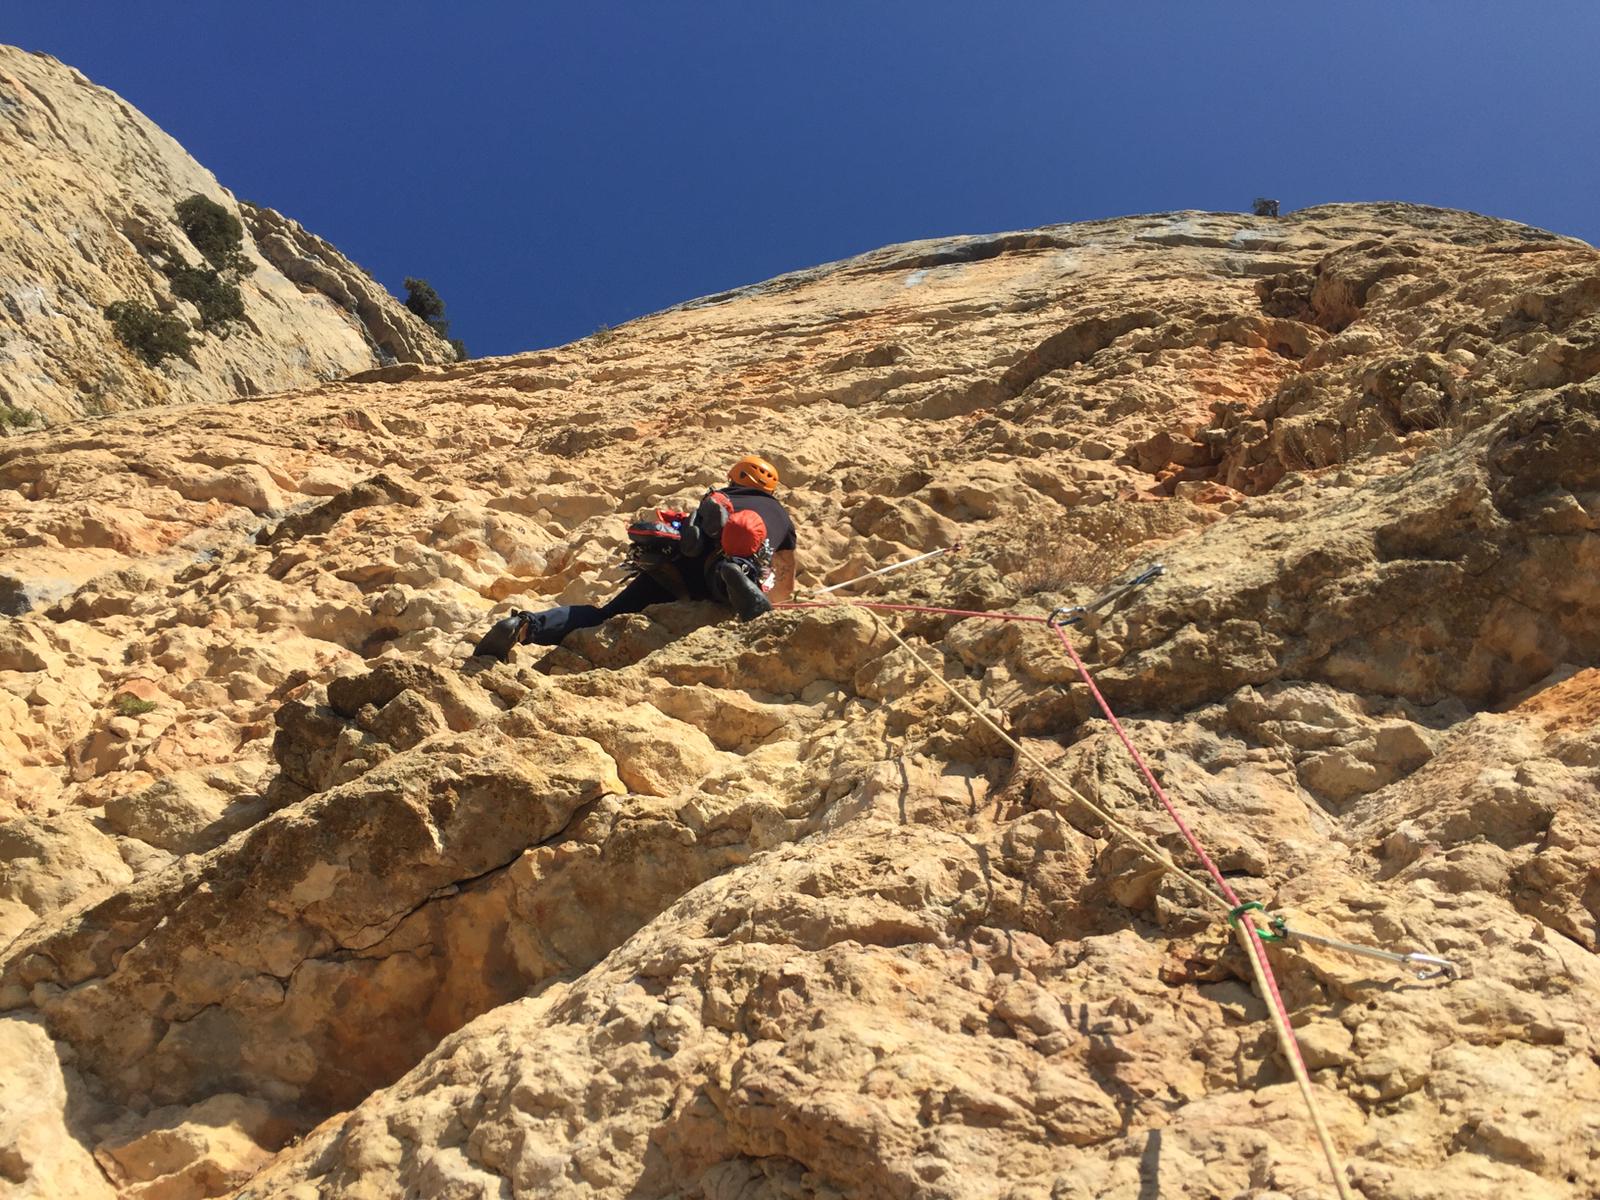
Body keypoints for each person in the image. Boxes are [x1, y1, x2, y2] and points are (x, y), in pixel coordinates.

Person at [472, 455, 797, 660]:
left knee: (607, 614)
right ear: (770, 488)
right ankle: (734, 574)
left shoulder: (719, 496)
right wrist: (772, 604)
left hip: (676, 567)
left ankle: (525, 625)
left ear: (735, 477)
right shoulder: (780, 515)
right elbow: (785, 575)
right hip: (721, 571)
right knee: (734, 567)